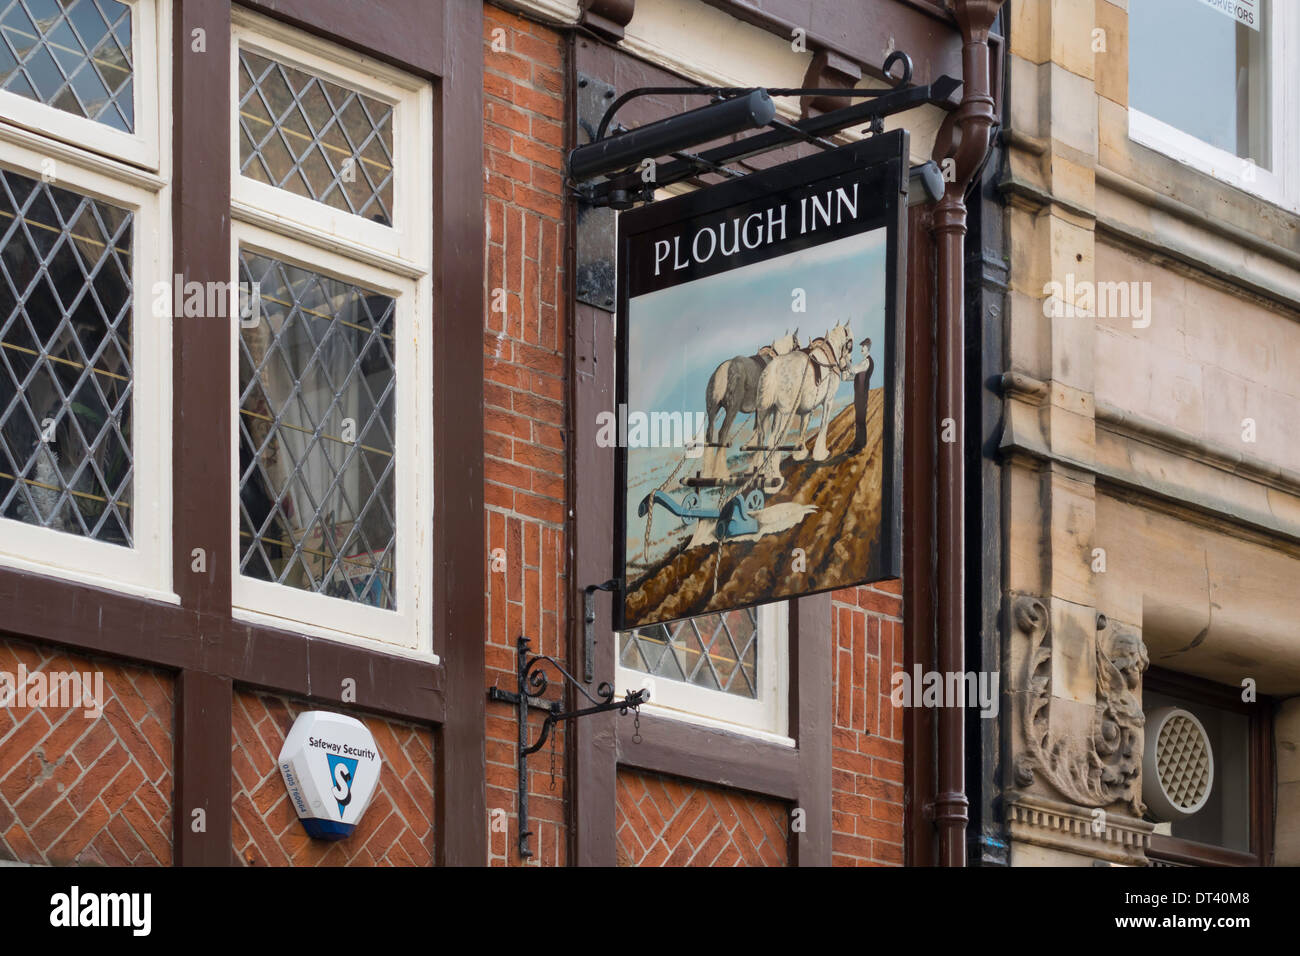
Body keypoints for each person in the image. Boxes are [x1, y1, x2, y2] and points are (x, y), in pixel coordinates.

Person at [846, 337, 873, 453]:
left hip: (861, 395)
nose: (862, 349)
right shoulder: (866, 362)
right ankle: (862, 442)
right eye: (862, 347)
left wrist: (846, 360)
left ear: (867, 348)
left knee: (859, 420)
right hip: (861, 395)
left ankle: (857, 447)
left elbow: (853, 370)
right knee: (861, 420)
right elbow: (854, 374)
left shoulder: (866, 362)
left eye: (863, 347)